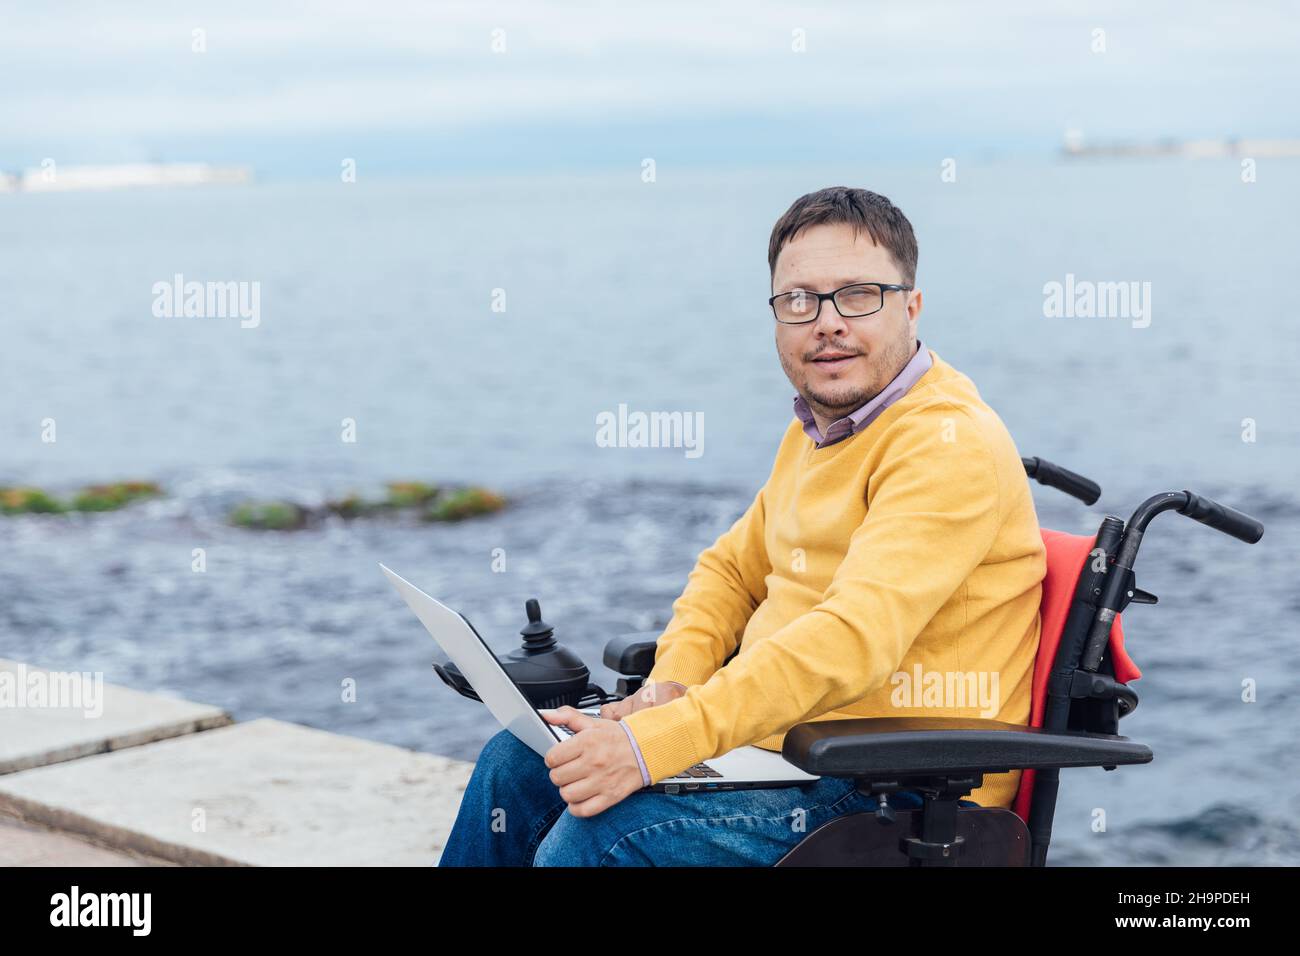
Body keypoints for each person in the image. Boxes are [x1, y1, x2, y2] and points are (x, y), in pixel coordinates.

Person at [438, 186, 1046, 866]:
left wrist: (658, 744)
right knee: (518, 766)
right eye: (800, 300)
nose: (827, 322)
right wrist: (668, 688)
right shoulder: (825, 429)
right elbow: (729, 571)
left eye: (857, 295)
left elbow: (851, 642)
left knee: (606, 838)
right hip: (783, 757)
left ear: (912, 305)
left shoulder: (946, 445)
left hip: (899, 784)